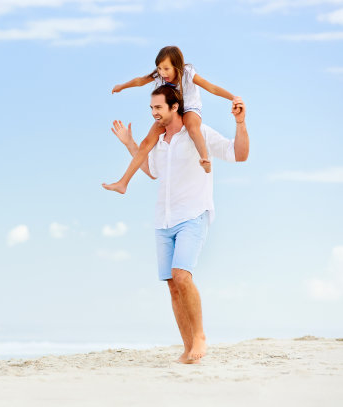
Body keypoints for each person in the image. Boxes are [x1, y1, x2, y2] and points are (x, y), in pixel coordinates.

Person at [105, 85, 249, 363]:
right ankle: (188, 349)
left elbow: (239, 154)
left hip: (193, 215)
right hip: (164, 220)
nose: (153, 113)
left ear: (174, 107)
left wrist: (240, 123)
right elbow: (151, 171)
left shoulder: (199, 133)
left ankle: (200, 337)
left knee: (182, 275)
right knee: (172, 284)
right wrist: (129, 143)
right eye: (151, 108)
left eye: (158, 108)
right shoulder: (158, 141)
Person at [106, 46, 235, 194]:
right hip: (170, 111)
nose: (162, 73)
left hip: (189, 108)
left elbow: (211, 88)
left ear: (177, 66)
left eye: (166, 69)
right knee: (146, 142)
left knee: (192, 127)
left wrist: (232, 98)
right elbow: (140, 81)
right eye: (159, 68)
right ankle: (123, 183)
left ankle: (205, 159)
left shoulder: (188, 74)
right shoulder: (159, 76)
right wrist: (122, 86)